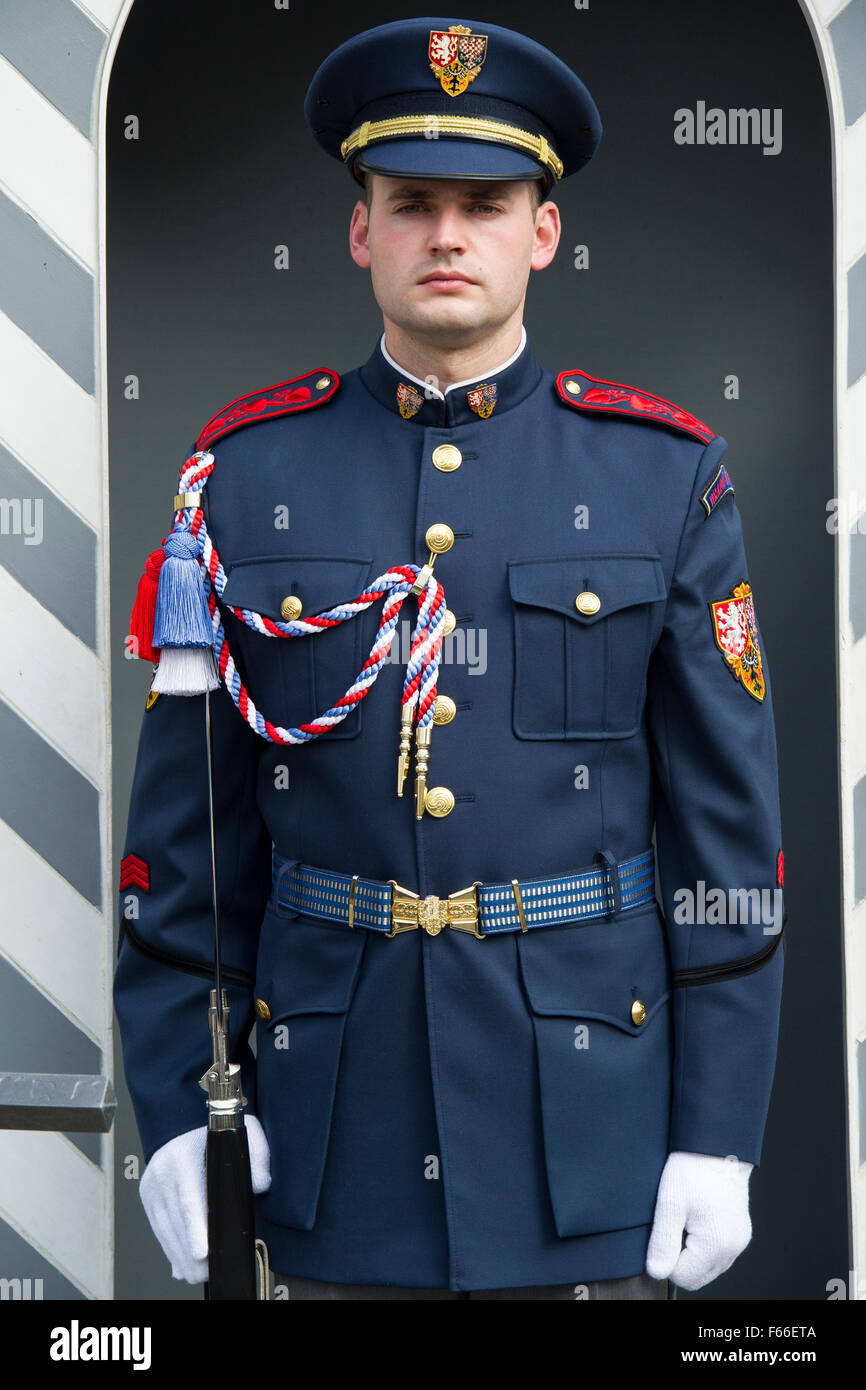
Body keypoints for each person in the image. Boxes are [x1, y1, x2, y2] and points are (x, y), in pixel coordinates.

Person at [114, 16, 786, 1300]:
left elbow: (726, 846)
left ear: (541, 232)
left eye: (484, 203)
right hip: (329, 1132)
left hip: (587, 1132)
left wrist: (717, 1130)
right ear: (359, 231)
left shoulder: (660, 478)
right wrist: (174, 1104)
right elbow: (186, 850)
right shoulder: (242, 481)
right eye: (409, 202)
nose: (446, 234)